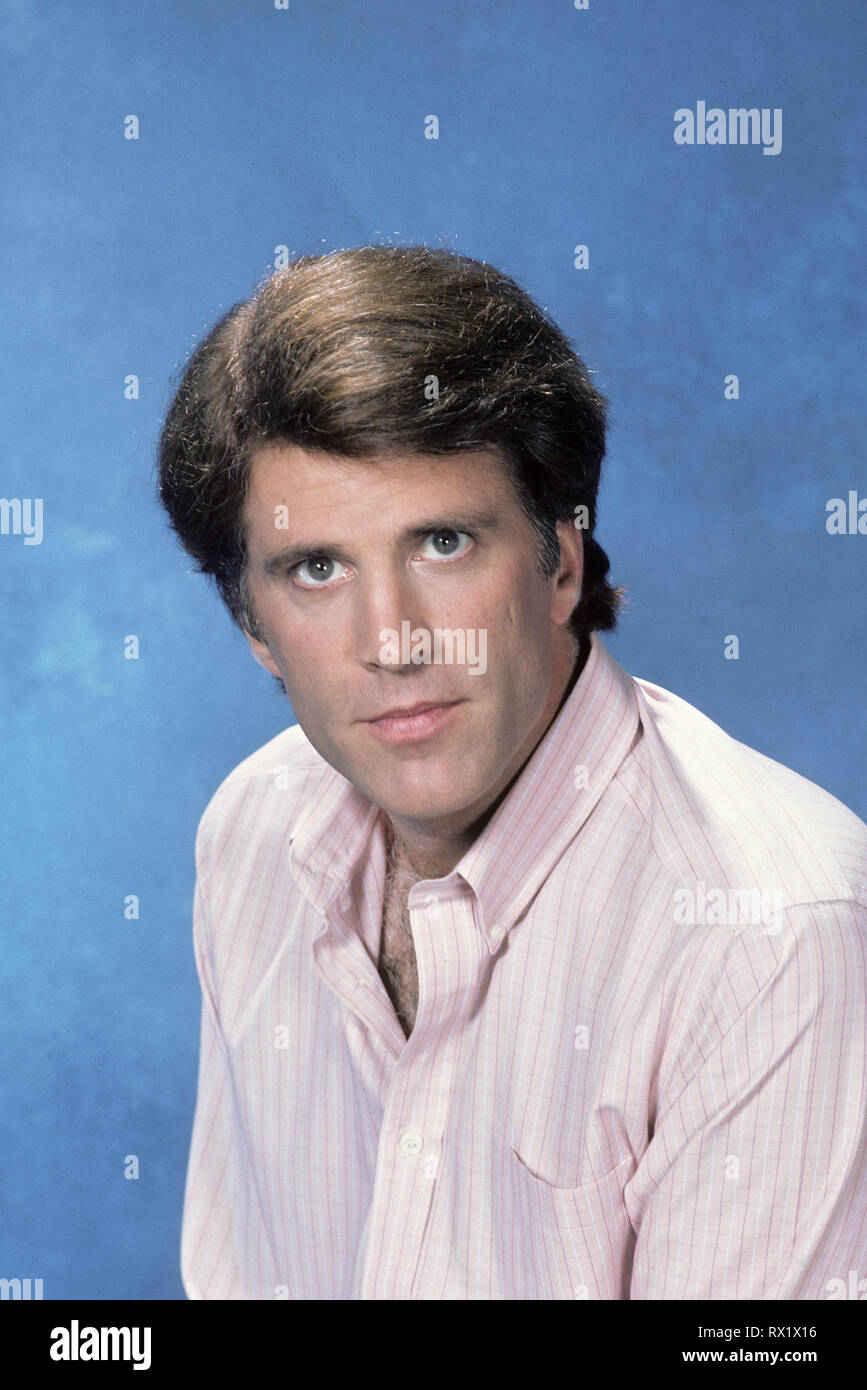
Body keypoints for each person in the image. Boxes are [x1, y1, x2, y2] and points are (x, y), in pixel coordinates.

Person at [158, 244, 867, 1300]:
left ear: (560, 564)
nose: (393, 640)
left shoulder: (773, 938)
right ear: (253, 625)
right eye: (317, 568)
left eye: (442, 543)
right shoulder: (252, 830)